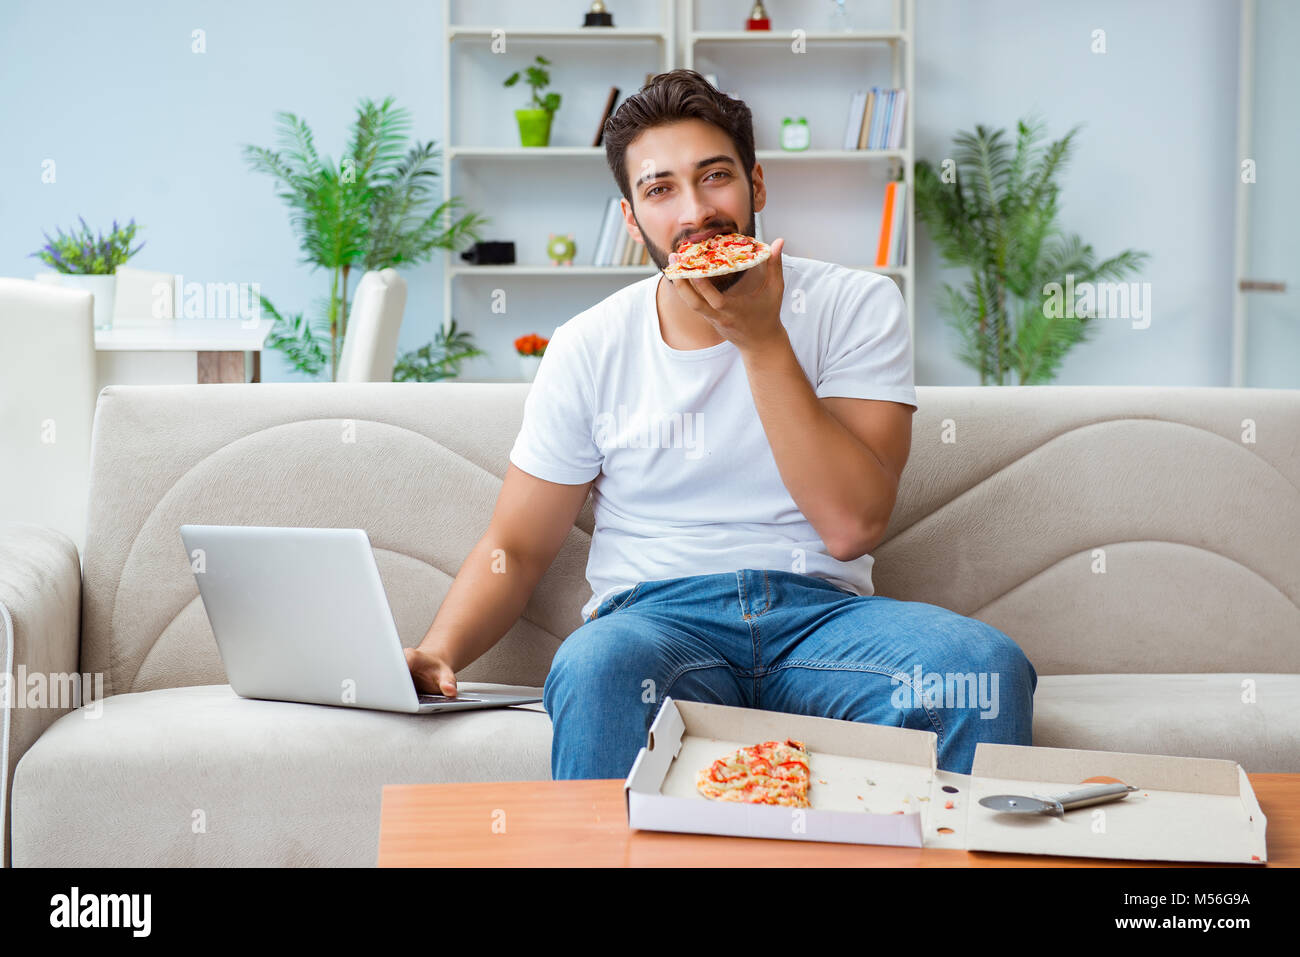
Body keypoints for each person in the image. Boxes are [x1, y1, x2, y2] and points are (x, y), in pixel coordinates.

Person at [406, 69, 1036, 777]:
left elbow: (853, 525)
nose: (696, 212)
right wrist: (440, 650)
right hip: (653, 625)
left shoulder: (858, 304)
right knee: (595, 663)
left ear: (757, 186)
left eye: (715, 177)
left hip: (823, 621)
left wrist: (762, 341)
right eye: (660, 189)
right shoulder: (589, 343)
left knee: (982, 667)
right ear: (631, 219)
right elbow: (515, 548)